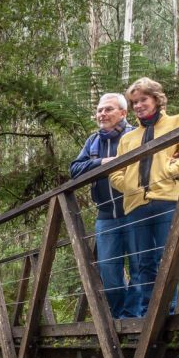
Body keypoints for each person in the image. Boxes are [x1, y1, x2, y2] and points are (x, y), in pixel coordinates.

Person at [109, 77, 179, 316]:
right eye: (134, 102)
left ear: (156, 99)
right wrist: (130, 186)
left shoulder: (178, 122)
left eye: (143, 100)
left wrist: (168, 172)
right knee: (143, 262)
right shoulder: (128, 138)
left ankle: (170, 310)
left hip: (167, 199)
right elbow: (115, 173)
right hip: (136, 204)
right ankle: (149, 312)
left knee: (168, 255)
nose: (138, 105)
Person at [71, 93, 138, 318]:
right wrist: (103, 163)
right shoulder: (93, 141)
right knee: (109, 270)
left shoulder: (136, 135)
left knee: (140, 265)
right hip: (106, 215)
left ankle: (134, 317)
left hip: (136, 210)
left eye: (108, 109)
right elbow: (75, 170)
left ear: (123, 113)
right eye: (100, 110)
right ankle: (120, 317)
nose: (102, 114)